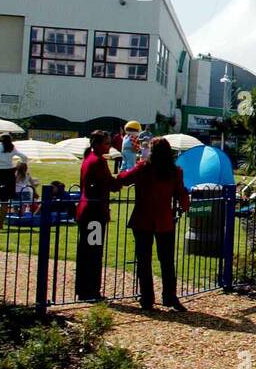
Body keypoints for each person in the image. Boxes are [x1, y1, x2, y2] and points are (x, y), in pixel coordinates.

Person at [121, 138, 190, 311]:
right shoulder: (175, 171)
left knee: (144, 261)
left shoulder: (143, 168)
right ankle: (170, 297)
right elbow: (181, 194)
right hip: (164, 220)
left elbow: (123, 179)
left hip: (143, 219)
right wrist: (185, 206)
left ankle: (147, 298)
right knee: (167, 261)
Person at [75, 130, 132, 301]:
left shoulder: (88, 159)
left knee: (86, 252)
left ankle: (84, 289)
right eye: (107, 143)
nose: (110, 145)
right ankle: (90, 291)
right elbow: (110, 184)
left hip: (87, 209)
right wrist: (125, 177)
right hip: (94, 212)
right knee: (93, 252)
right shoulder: (98, 162)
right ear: (98, 144)